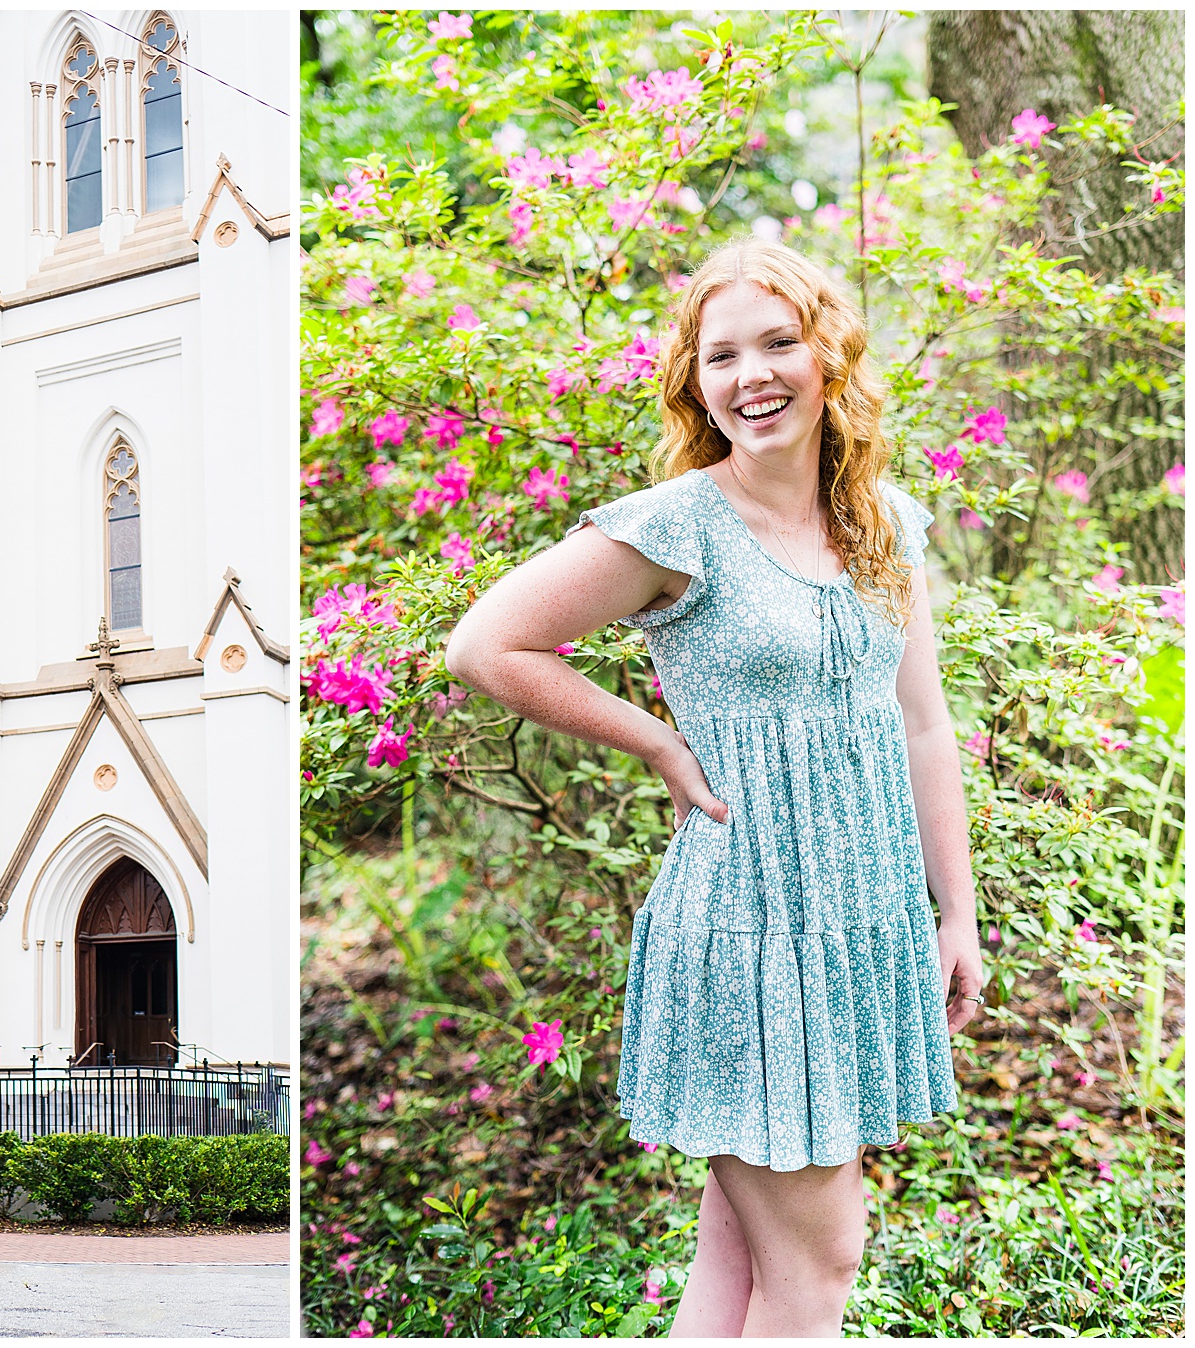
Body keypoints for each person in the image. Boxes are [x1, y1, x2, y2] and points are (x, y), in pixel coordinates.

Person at [444, 237, 985, 1338]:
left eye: (778, 342)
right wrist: (654, 742)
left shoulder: (882, 522)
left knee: (738, 1265)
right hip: (749, 928)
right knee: (823, 1264)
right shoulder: (677, 526)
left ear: (829, 355)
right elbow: (488, 645)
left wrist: (956, 909)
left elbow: (923, 724)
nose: (753, 375)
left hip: (854, 925)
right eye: (722, 354)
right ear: (696, 380)